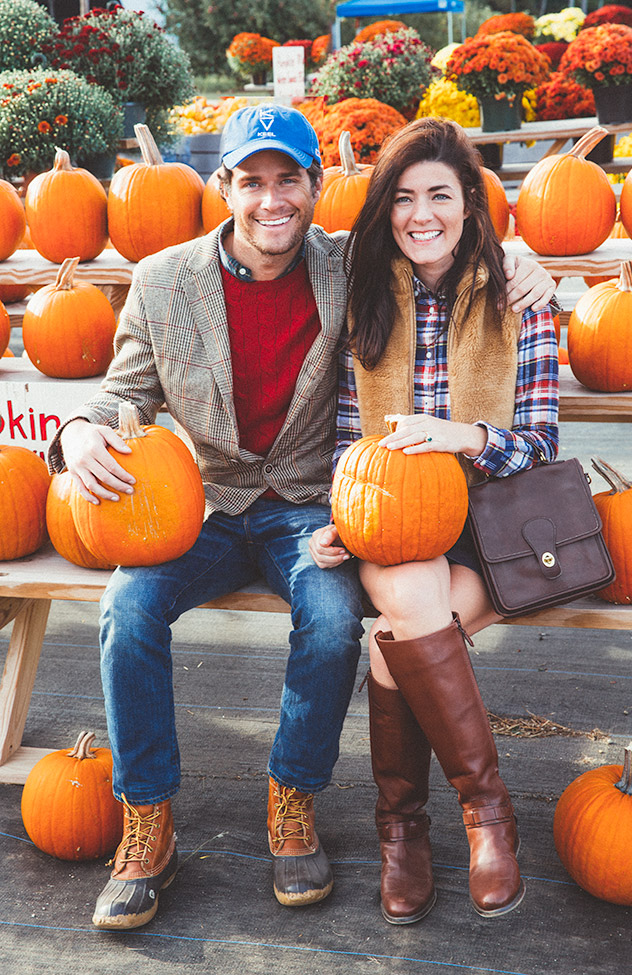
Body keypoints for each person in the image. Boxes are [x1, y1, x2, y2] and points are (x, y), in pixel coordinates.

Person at [48, 105, 556, 931]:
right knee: (126, 609)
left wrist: (530, 263)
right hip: (204, 506)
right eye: (252, 181)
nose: (271, 199)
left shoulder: (348, 268)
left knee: (330, 618)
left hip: (308, 509)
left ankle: (296, 801)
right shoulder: (165, 280)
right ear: (225, 188)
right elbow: (120, 392)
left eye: (289, 179)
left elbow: (450, 248)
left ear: (318, 188)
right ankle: (147, 819)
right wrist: (75, 432)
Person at [309, 117, 559, 926]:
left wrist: (464, 437)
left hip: (491, 529)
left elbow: (542, 444)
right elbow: (352, 443)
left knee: (399, 635)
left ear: (471, 204)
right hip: (395, 526)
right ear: (385, 208)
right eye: (405, 197)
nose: (422, 214)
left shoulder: (520, 295)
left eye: (441, 196)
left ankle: (403, 832)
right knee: (410, 588)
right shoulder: (366, 299)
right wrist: (341, 520)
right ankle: (487, 815)